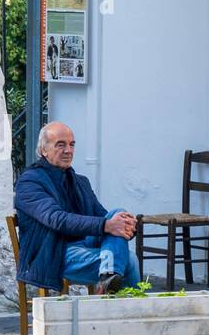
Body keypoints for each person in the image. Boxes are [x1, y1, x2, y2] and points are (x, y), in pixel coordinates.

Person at [14, 122, 140, 294]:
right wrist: (107, 225)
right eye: (61, 145)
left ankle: (109, 277)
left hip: (84, 244)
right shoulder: (30, 182)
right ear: (44, 150)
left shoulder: (80, 182)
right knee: (129, 260)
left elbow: (103, 216)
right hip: (52, 254)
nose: (68, 150)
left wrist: (126, 225)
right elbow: (56, 218)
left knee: (117, 212)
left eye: (72, 144)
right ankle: (122, 312)